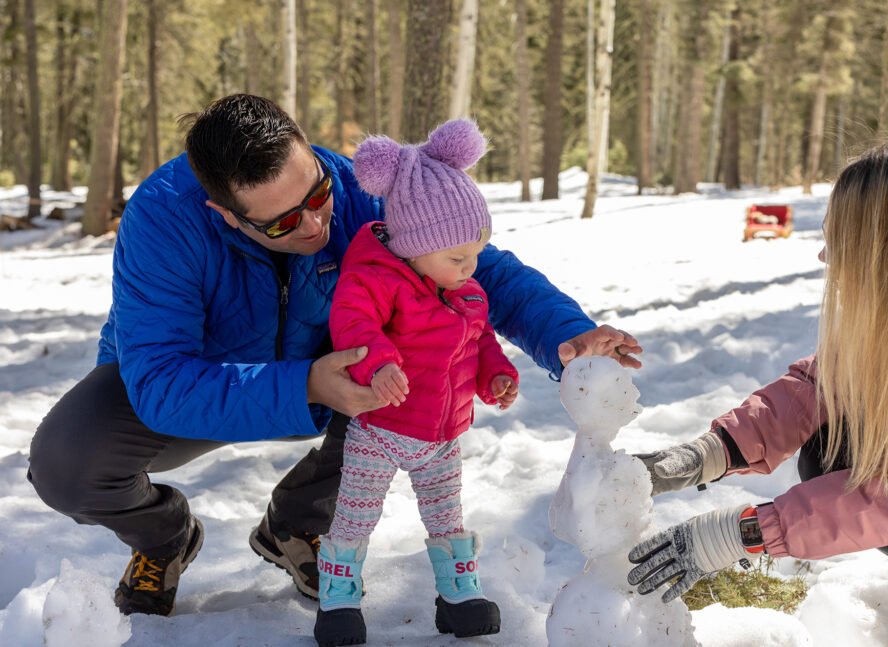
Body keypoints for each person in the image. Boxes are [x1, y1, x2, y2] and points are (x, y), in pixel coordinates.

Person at [26, 93, 642, 618]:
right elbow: (160, 381)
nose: (316, 223)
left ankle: (295, 524)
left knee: (411, 347)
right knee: (65, 465)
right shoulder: (162, 222)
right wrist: (308, 385)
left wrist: (570, 335)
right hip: (187, 392)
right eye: (283, 222)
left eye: (315, 192)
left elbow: (479, 271)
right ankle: (163, 537)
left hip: (335, 381)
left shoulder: (354, 191)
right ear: (225, 213)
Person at [626, 139, 888, 647]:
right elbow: (833, 381)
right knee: (835, 450)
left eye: (843, 242)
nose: (824, 255)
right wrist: (713, 452)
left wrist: (741, 534)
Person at [314, 119, 517, 646]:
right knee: (356, 516)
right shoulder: (375, 278)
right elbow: (354, 325)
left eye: (475, 251)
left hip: (442, 436)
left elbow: (481, 340)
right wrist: (379, 366)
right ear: (412, 243)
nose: (471, 266)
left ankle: (459, 596)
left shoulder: (467, 290)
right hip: (381, 428)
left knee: (448, 517)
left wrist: (496, 374)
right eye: (457, 256)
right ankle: (339, 602)